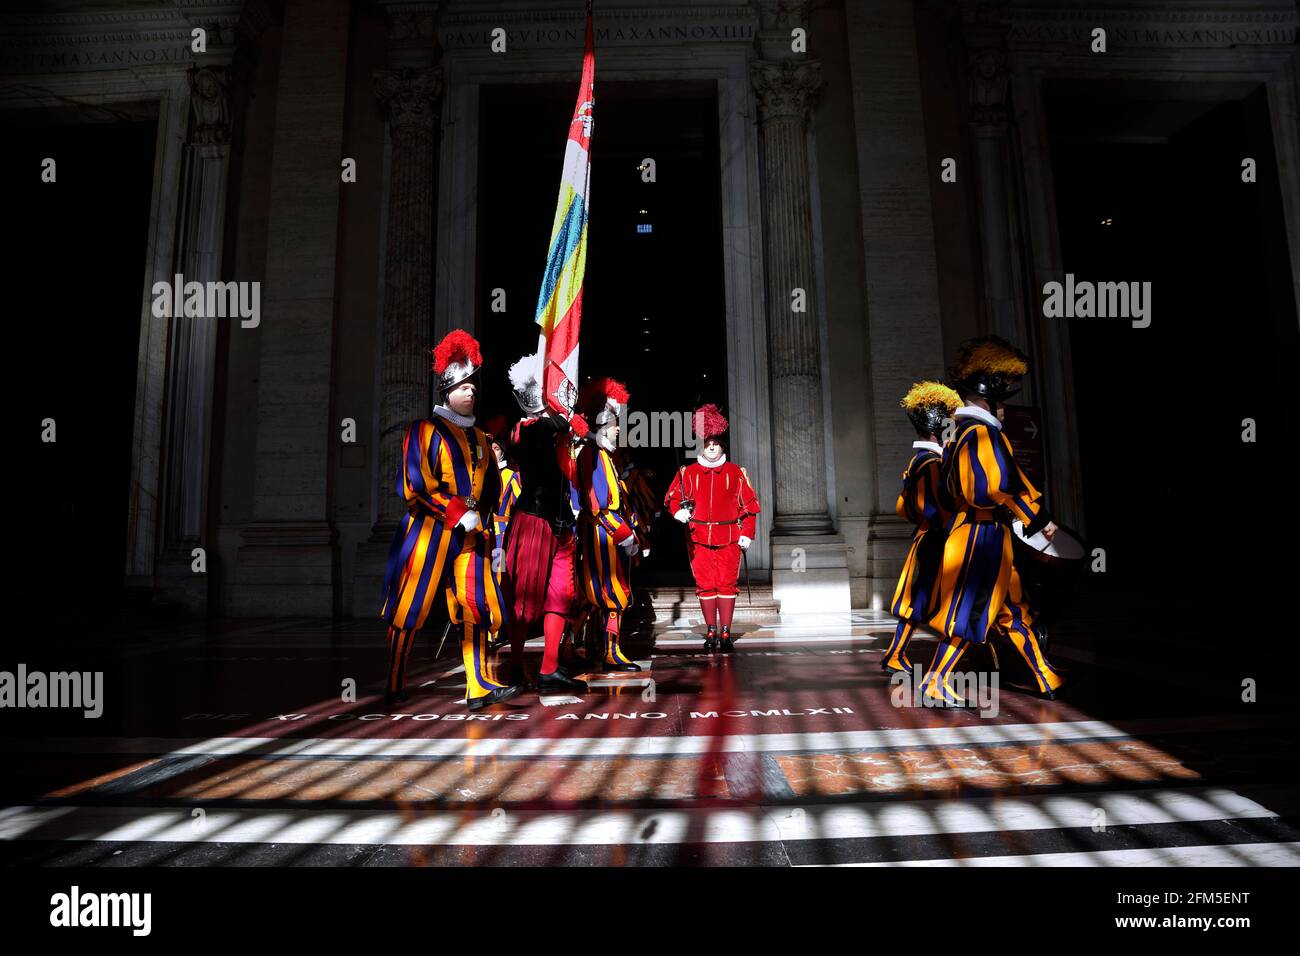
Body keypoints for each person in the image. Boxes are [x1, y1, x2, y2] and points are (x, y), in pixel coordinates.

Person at [379, 329, 522, 710]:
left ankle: (477, 685)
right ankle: (394, 682)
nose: (470, 392)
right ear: (446, 392)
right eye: (462, 387)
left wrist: (488, 529)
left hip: (472, 535)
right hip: (429, 531)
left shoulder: (479, 436)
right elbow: (413, 485)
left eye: (473, 387)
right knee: (411, 606)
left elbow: (492, 489)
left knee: (473, 604)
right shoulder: (423, 430)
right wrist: (458, 512)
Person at [923, 336, 1066, 703]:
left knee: (1013, 610)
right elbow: (999, 485)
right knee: (969, 611)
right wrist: (1039, 519)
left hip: (982, 532)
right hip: (981, 535)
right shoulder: (981, 433)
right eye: (1001, 398)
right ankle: (935, 681)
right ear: (988, 394)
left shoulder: (960, 433)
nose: (1004, 407)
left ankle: (1045, 676)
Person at [496, 356, 590, 695]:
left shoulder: (554, 428)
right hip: (534, 521)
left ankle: (549, 667)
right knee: (525, 598)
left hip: (562, 522)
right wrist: (563, 417)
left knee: (561, 596)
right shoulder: (524, 429)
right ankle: (517, 663)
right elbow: (532, 443)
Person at [664, 404, 760, 653]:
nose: (711, 447)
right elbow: (673, 498)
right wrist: (678, 511)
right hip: (698, 538)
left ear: (722, 446)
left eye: (715, 443)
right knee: (706, 585)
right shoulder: (688, 472)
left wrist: (747, 533)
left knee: (727, 585)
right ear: (701, 445)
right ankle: (711, 630)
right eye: (707, 443)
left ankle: (726, 633)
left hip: (729, 538)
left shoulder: (736, 472)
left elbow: (749, 507)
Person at [883, 381, 962, 674]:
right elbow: (934, 507)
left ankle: (895, 653)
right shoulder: (930, 462)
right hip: (939, 537)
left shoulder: (920, 459)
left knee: (921, 597)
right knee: (942, 600)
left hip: (930, 536)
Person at [573, 377, 644, 672]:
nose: (618, 429)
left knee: (600, 596)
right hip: (604, 536)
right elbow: (597, 505)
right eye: (614, 423)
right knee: (611, 594)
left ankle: (586, 646)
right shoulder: (592, 454)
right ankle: (610, 652)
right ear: (603, 424)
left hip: (610, 534)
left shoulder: (605, 455)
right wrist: (625, 534)